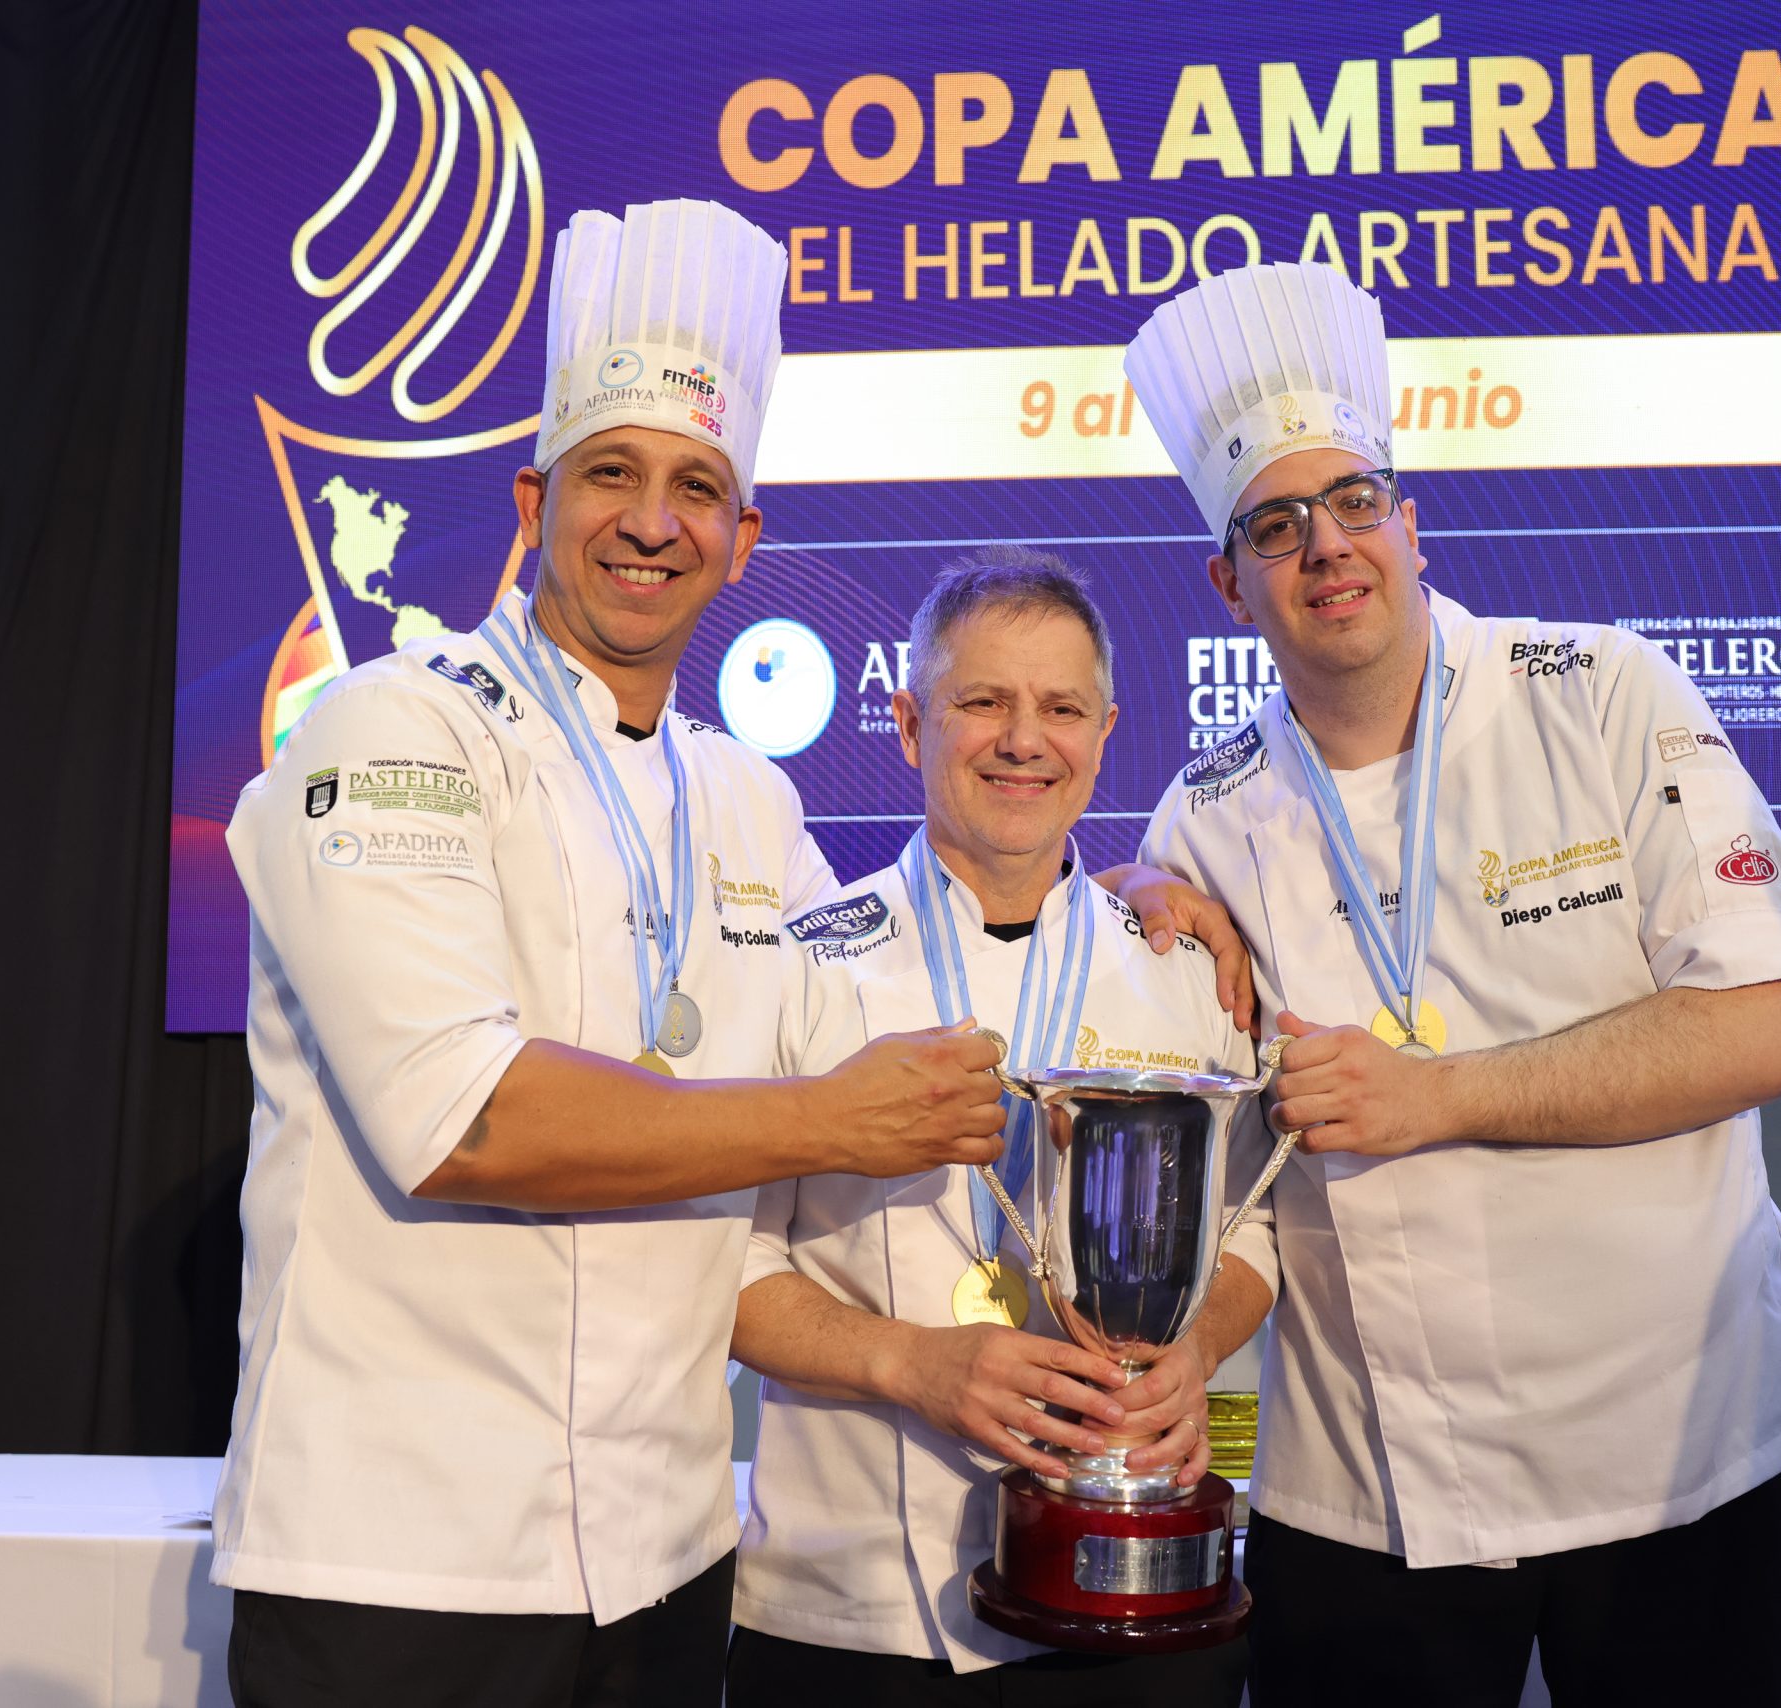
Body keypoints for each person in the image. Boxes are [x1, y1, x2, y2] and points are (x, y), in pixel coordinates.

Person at [215, 201, 1242, 1708]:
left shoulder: (748, 798)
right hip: (404, 1557)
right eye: (612, 475)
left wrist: (1150, 884)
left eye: (697, 485)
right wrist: (835, 1126)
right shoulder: (394, 727)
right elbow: (464, 1117)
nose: (653, 519)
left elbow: (933, 938)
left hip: (663, 1560)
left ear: (743, 534)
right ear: (532, 498)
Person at [1124, 263, 1781, 1708]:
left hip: (1675, 1465)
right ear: (1228, 577)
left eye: (1354, 502)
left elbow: (1777, 1026)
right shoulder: (1200, 820)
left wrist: (1433, 1097)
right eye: (1276, 523)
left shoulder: (1607, 691)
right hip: (1368, 1497)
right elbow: (1229, 1170)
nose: (1326, 545)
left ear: (1411, 520)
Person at [726, 549, 1273, 1708]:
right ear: (912, 721)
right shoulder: (797, 966)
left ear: (1105, 730)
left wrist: (1193, 1353)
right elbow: (722, 1262)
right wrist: (910, 1361)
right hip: (849, 1608)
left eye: (1060, 707)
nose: (1024, 739)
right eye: (982, 701)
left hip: (1130, 1611)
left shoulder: (1185, 973)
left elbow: (1254, 1225)